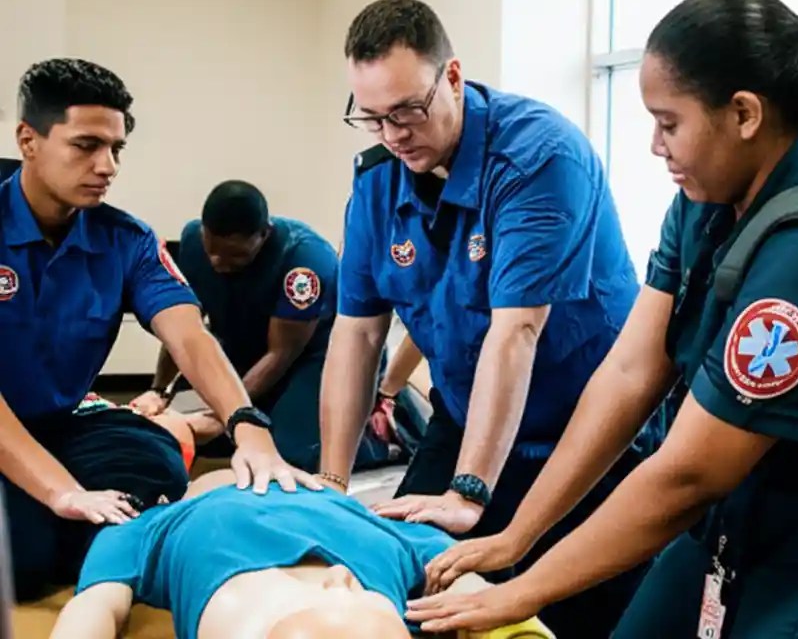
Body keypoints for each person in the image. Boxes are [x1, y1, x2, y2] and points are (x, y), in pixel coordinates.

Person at [411, 0, 798, 638]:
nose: (655, 145)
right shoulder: (704, 202)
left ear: (745, 114)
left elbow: (690, 472)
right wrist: (518, 536)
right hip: (754, 520)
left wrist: (521, 590)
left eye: (670, 123)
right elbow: (631, 373)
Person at [319, 0, 645, 636]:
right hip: (470, 412)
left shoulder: (538, 158)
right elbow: (357, 333)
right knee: (415, 584)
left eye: (409, 110)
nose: (394, 134)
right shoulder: (377, 182)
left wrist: (468, 492)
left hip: (585, 430)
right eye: (373, 117)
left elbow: (516, 330)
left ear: (455, 77)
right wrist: (333, 482)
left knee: (556, 612)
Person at [0, 58, 315, 601]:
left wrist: (247, 426)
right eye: (86, 146)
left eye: (116, 149)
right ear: (29, 139)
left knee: (155, 459)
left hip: (56, 423)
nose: (108, 166)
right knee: (23, 564)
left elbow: (189, 336)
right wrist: (63, 493)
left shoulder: (127, 240)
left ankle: (63, 525)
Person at [49, 469, 555, 639]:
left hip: (281, 607)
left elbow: (93, 607)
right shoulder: (368, 520)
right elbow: (463, 581)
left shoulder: (154, 524)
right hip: (341, 600)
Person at [129, 180, 396, 471]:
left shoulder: (303, 264)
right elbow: (183, 331)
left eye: (235, 256)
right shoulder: (192, 242)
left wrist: (231, 413)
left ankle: (381, 435)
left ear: (264, 234)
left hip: (313, 356)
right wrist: (160, 391)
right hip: (248, 344)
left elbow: (280, 355)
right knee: (225, 432)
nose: (220, 263)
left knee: (288, 453)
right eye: (213, 251)